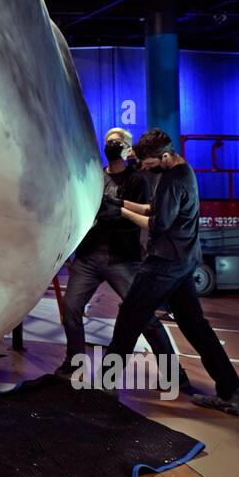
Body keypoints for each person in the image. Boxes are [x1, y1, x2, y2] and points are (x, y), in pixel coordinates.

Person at [102, 128, 239, 415]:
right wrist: (118, 202)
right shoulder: (183, 172)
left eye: (147, 163)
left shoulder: (171, 180)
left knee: (129, 317)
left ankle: (105, 386)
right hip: (183, 262)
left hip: (164, 263)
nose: (142, 167)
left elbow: (156, 225)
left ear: (165, 156)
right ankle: (232, 393)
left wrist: (120, 214)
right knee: (196, 327)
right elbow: (151, 208)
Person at [56, 128, 190, 393]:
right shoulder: (94, 177)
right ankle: (74, 362)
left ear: (129, 149)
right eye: (109, 142)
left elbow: (145, 218)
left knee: (143, 315)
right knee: (71, 308)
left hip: (122, 259)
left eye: (118, 142)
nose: (112, 145)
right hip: (89, 257)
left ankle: (175, 373)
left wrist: (113, 212)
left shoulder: (139, 180)